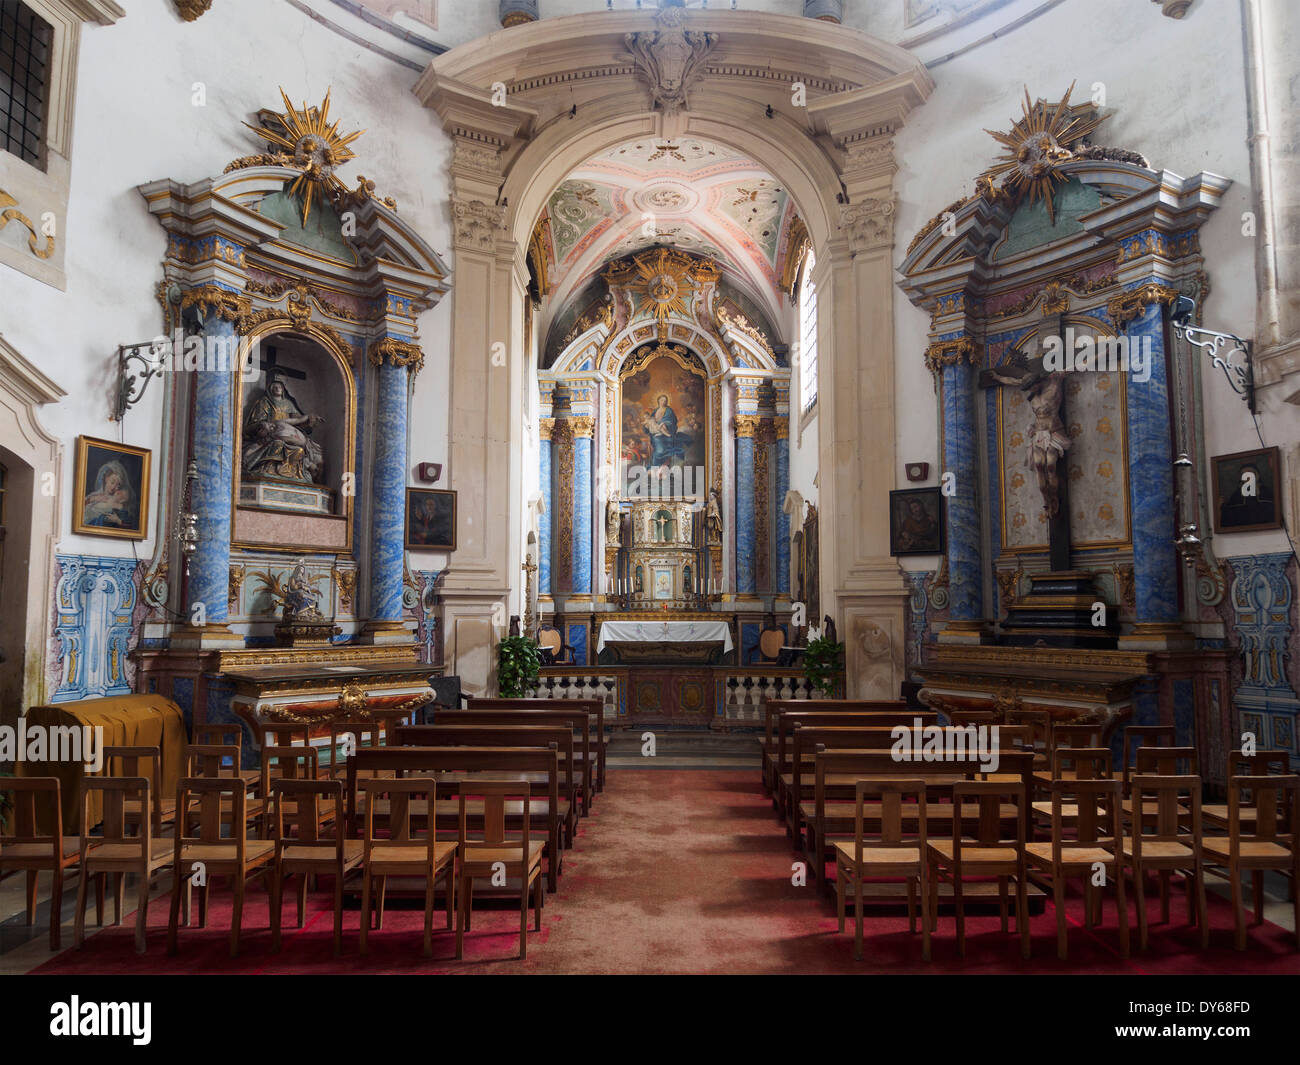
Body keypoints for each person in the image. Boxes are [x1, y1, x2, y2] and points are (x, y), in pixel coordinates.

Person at [243, 375, 325, 484]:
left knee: (299, 450)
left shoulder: (288, 404)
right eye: (274, 386)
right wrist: (264, 425)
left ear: (283, 390)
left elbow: (298, 419)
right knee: (278, 444)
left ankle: (294, 475)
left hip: (285, 433)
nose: (277, 389)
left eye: (279, 387)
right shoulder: (264, 402)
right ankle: (269, 471)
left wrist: (310, 418)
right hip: (269, 434)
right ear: (270, 389)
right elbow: (255, 423)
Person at [83, 460, 137, 528]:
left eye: (118, 485)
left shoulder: (118, 500)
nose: (114, 487)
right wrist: (92, 499)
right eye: (112, 482)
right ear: (106, 478)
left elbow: (129, 523)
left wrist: (118, 521)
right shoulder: (94, 495)